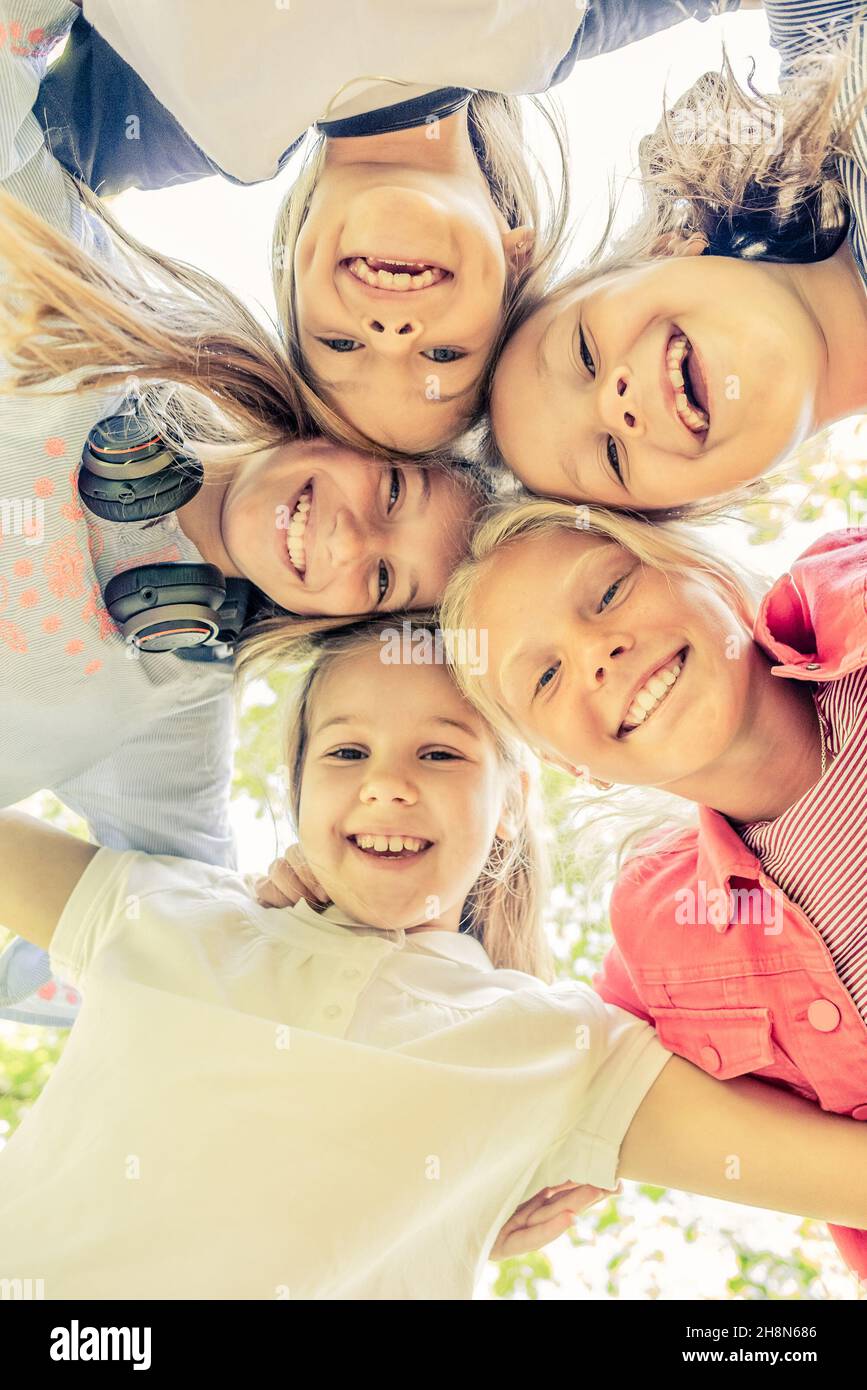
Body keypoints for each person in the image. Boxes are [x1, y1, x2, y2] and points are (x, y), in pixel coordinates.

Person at [2, 618, 867, 1299]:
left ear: (509, 801)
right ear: (295, 791)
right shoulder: (161, 911)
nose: (386, 784)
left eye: (441, 752)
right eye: (345, 752)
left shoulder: (556, 1050)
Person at [0, 1, 481, 1025]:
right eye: (391, 489)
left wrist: (313, 910)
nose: (350, 534)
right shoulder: (102, 322)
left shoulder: (173, 700)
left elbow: (178, 948)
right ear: (350, 424)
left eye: (385, 578)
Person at [439, 499, 867, 1280]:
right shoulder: (661, 935)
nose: (597, 654)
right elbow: (552, 1076)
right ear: (573, 766)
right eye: (544, 675)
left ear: (702, 570)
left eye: (605, 595)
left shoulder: (851, 606)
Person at [34, 2, 755, 451]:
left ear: (292, 266)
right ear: (517, 256)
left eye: (339, 343)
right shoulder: (548, 29)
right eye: (444, 357)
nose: (390, 337)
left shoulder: (199, 127)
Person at [487, 0, 867, 510]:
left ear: (662, 251)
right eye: (613, 460)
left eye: (584, 353)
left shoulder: (827, 40)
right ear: (714, 498)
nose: (611, 403)